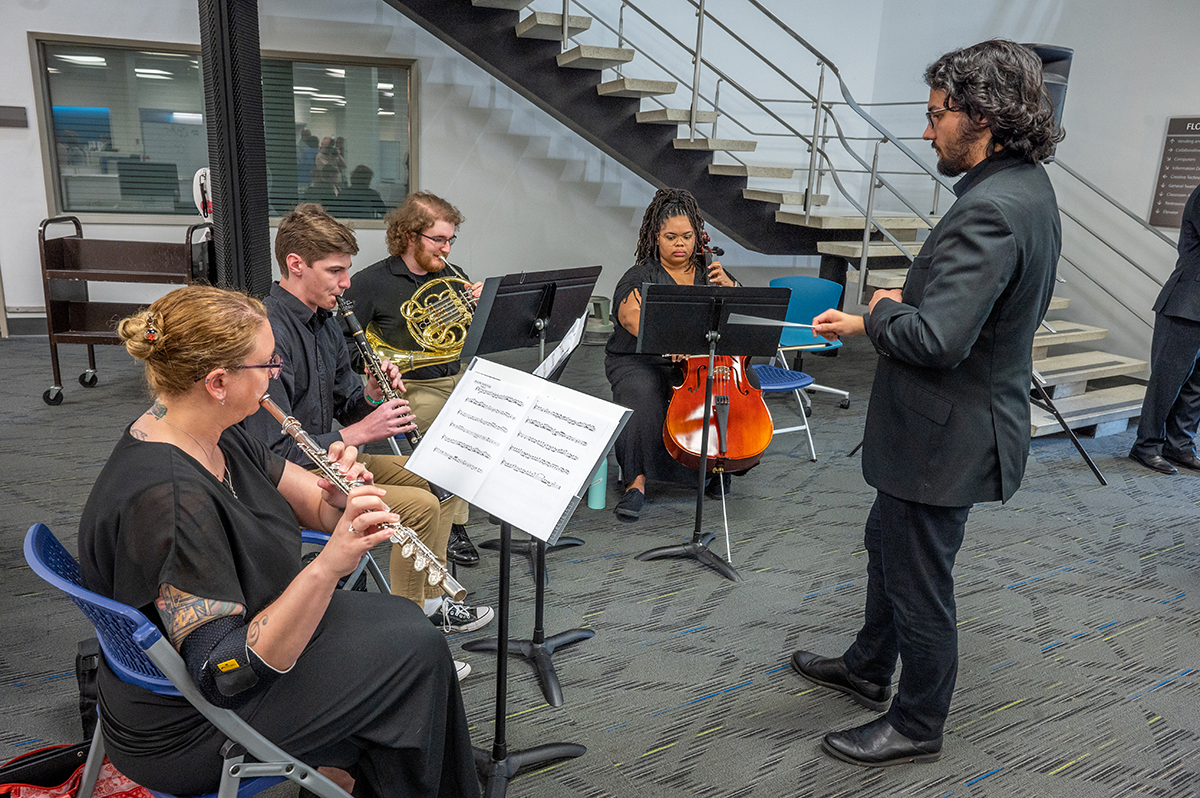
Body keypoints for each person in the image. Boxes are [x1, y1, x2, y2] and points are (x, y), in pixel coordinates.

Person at [77, 285, 480, 798]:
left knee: (405, 626)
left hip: (249, 630)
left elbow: (311, 501)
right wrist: (328, 566)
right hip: (194, 725)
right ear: (218, 381)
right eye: (268, 363)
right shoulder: (172, 505)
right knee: (416, 658)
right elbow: (225, 673)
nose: (277, 373)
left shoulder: (211, 426)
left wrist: (338, 497)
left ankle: (407, 769)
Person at [794, 40, 1063, 766]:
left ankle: (916, 723)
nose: (926, 129)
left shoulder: (992, 210)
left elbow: (941, 338)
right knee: (889, 546)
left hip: (945, 437)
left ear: (983, 117)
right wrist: (867, 320)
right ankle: (867, 666)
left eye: (937, 114)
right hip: (947, 426)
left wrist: (880, 310)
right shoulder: (1024, 186)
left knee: (920, 585)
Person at [241, 204, 493, 651]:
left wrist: (374, 396)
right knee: (416, 507)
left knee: (431, 478)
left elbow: (348, 406)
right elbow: (275, 445)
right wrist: (362, 431)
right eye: (335, 271)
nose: (346, 283)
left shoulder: (327, 322)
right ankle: (408, 637)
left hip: (331, 458)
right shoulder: (267, 331)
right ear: (295, 266)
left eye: (348, 270)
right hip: (284, 476)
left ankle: (432, 606)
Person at [342, 192, 482, 566]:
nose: (448, 249)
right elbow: (341, 341)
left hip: (456, 374)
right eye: (439, 240)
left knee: (483, 422)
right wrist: (374, 368)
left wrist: (484, 308)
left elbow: (463, 331)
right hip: (411, 385)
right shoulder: (371, 282)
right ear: (409, 237)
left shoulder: (452, 275)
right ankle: (449, 524)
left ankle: (454, 519)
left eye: (451, 240)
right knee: (451, 428)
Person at [604, 187, 739, 523]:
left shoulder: (711, 274)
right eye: (671, 237)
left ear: (698, 237)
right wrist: (668, 340)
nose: (680, 244)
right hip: (640, 359)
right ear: (656, 237)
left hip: (694, 362)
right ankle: (636, 482)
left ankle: (717, 466)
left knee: (738, 382)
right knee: (642, 392)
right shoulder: (642, 274)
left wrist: (732, 290)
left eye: (688, 236)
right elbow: (629, 315)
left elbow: (742, 318)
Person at [1129, 182, 1200, 474]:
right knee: (1167, 382)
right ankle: (1146, 445)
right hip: (1185, 304)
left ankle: (1179, 445)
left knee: (1196, 386)